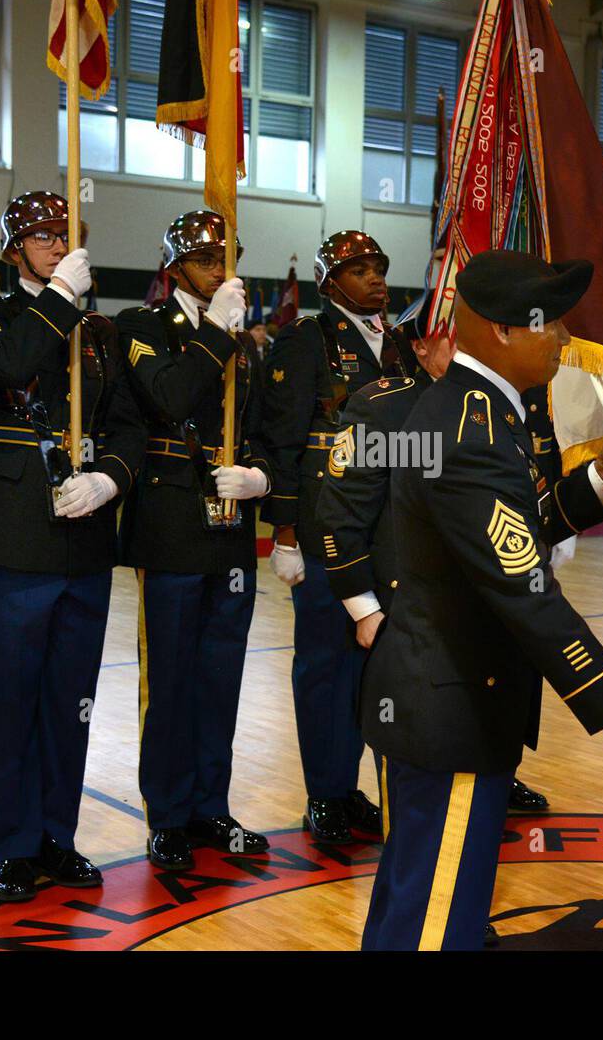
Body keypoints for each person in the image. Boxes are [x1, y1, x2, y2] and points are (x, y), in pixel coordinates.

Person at [359, 250, 603, 951]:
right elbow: (528, 593)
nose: (563, 336)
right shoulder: (469, 431)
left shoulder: (484, 411)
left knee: (423, 904)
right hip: (454, 711)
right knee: (433, 919)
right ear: (501, 329)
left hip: (452, 703)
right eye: (548, 321)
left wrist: (599, 479)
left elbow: (514, 532)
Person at [0, 192, 146, 902]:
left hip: (86, 540)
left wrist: (110, 479)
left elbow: (127, 424)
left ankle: (56, 837)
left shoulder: (100, 332)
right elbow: (8, 368)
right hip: (15, 538)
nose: (55, 245)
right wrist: (61, 297)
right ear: (14, 250)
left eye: (65, 235)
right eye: (40, 236)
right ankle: (13, 846)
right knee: (12, 701)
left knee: (72, 701)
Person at [315, 294, 551, 818]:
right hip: (410, 617)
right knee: (418, 803)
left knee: (481, 756)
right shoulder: (389, 407)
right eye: (452, 334)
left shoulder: (504, 404)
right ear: (420, 347)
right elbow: (341, 514)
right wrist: (364, 610)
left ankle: (496, 780)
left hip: (490, 620)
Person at [112, 211, 272, 871]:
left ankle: (211, 806)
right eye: (204, 259)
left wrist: (260, 477)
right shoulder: (141, 326)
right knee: (171, 680)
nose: (217, 269)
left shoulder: (246, 341)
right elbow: (170, 397)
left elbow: (261, 427)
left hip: (230, 528)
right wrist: (216, 333)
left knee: (220, 677)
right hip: (172, 524)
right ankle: (169, 816)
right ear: (175, 267)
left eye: (225, 258)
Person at [261, 231, 415, 844]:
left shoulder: (399, 342)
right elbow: (283, 439)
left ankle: (357, 790)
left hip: (388, 529)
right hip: (327, 525)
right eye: (358, 269)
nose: (375, 277)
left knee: (374, 667)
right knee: (325, 666)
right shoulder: (307, 339)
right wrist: (285, 532)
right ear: (329, 284)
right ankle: (325, 793)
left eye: (379, 266)